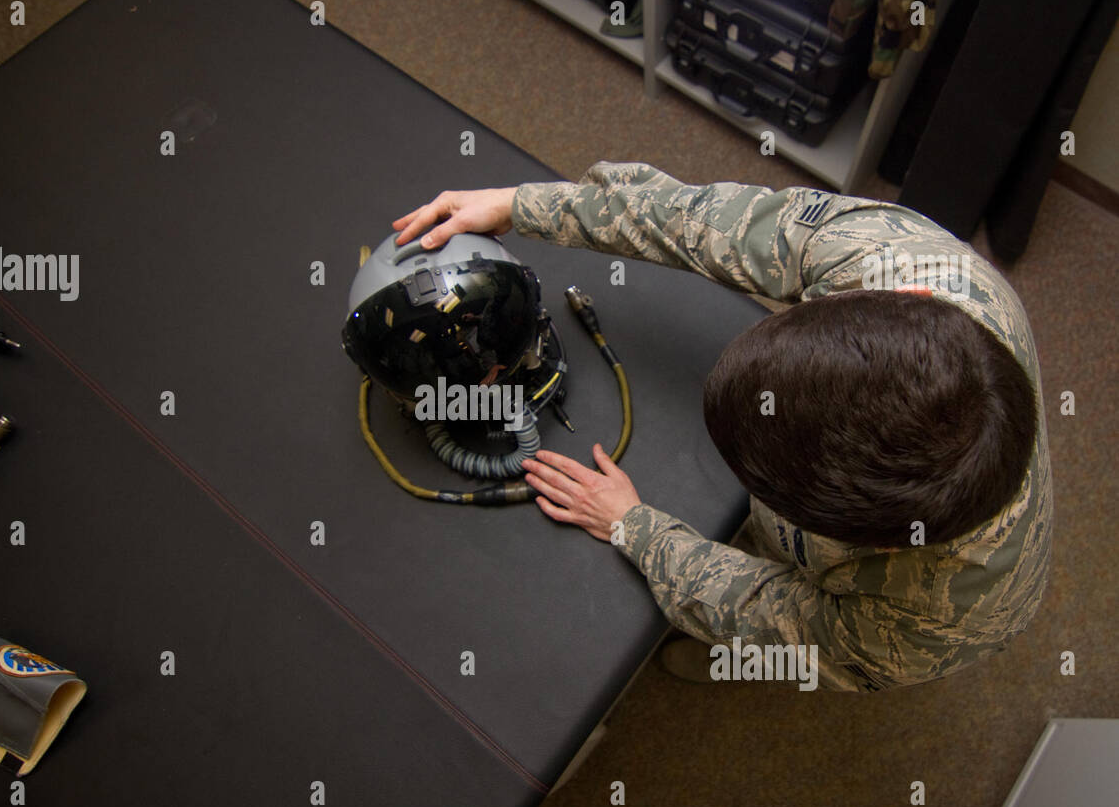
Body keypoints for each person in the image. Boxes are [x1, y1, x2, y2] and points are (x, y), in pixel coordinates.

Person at [392, 162, 1052, 691]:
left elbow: (769, 615)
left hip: (849, 612)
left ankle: (730, 663)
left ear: (866, 542)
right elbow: (706, 220)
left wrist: (635, 527)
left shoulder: (916, 629)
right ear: (892, 300)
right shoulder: (902, 260)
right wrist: (523, 205)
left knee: (770, 653)